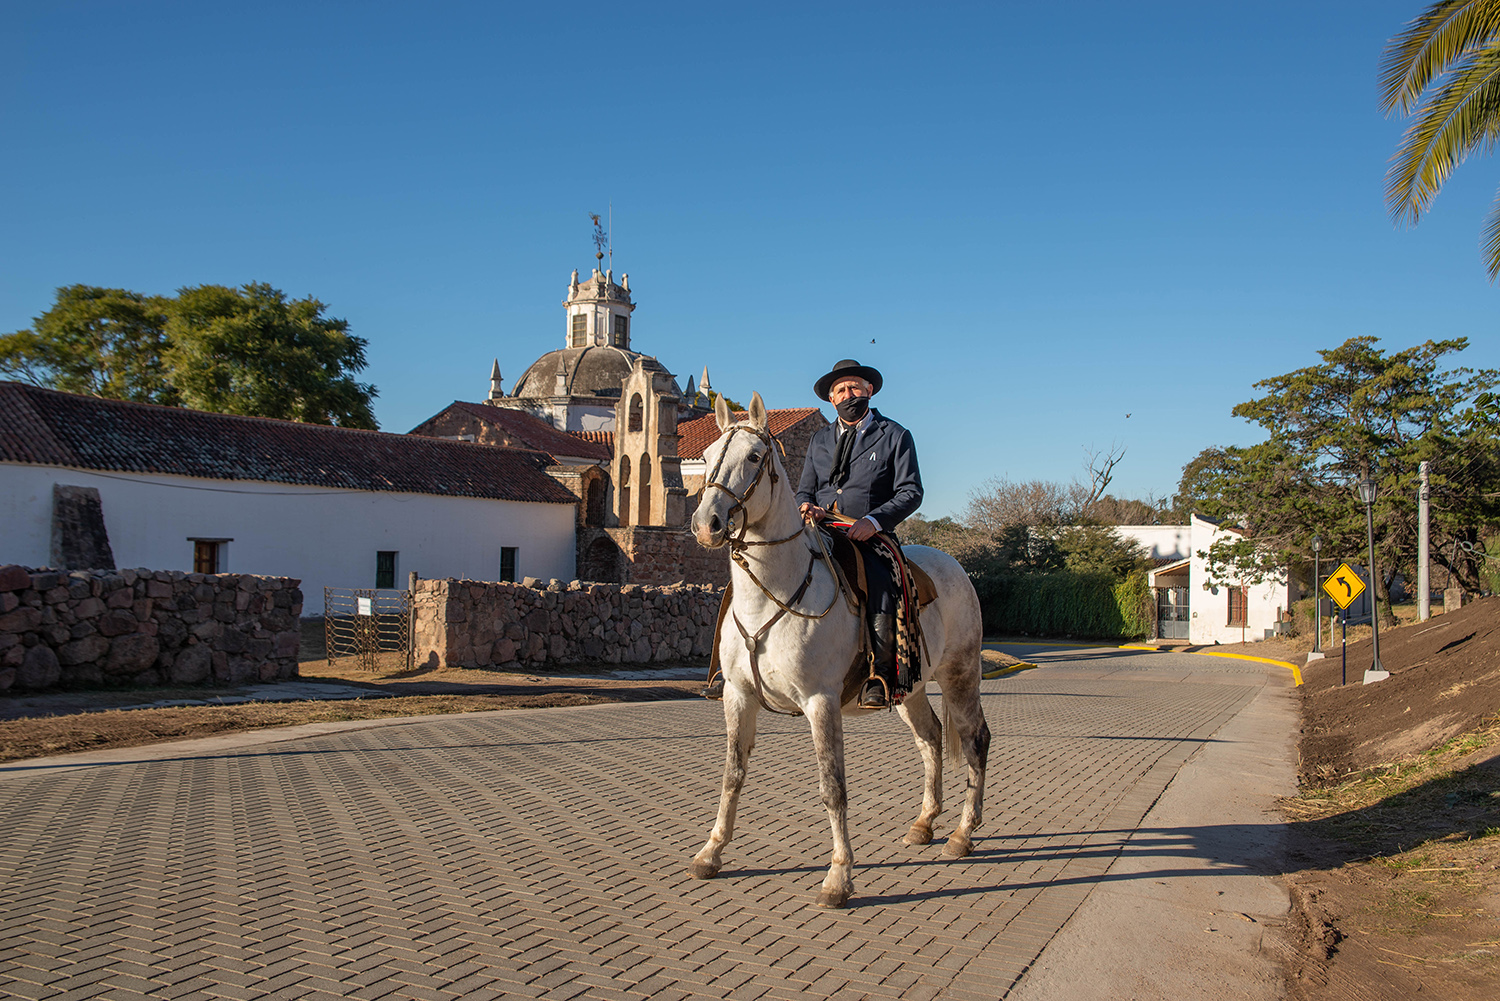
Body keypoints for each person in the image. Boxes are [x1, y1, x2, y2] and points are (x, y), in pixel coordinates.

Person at [796, 358, 924, 708]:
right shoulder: (819, 440)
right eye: (841, 390)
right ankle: (727, 668)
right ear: (831, 399)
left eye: (854, 387)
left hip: (868, 534)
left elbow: (911, 491)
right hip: (821, 529)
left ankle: (880, 675)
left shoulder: (895, 435)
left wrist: (874, 521)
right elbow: (804, 489)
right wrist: (806, 506)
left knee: (881, 581)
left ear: (869, 391)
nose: (848, 394)